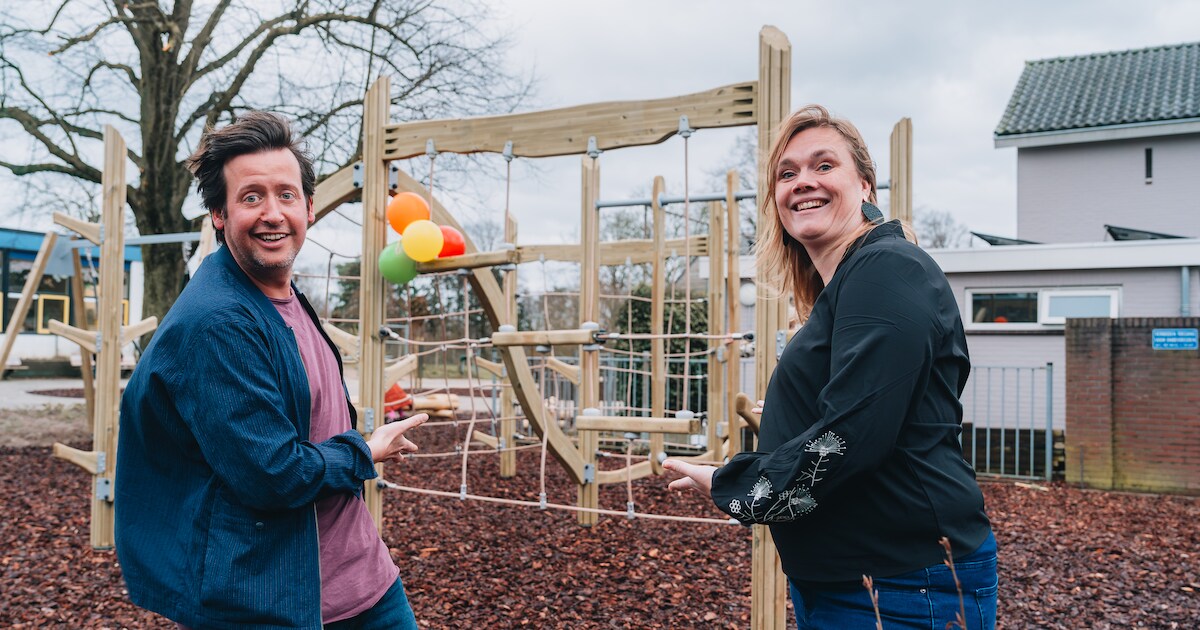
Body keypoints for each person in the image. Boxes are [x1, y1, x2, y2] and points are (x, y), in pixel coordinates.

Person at [664, 105, 997, 629]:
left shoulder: (886, 269)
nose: (803, 182)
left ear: (865, 186)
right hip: (858, 579)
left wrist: (736, 487)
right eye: (787, 172)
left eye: (824, 166)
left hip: (901, 585)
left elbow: (852, 435)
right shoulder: (850, 286)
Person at [115, 111, 427, 629]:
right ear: (219, 213)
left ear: (308, 207)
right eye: (251, 197)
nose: (272, 213)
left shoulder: (282, 295)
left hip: (364, 583)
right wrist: (366, 451)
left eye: (285, 195)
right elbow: (273, 476)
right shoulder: (218, 323)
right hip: (270, 598)